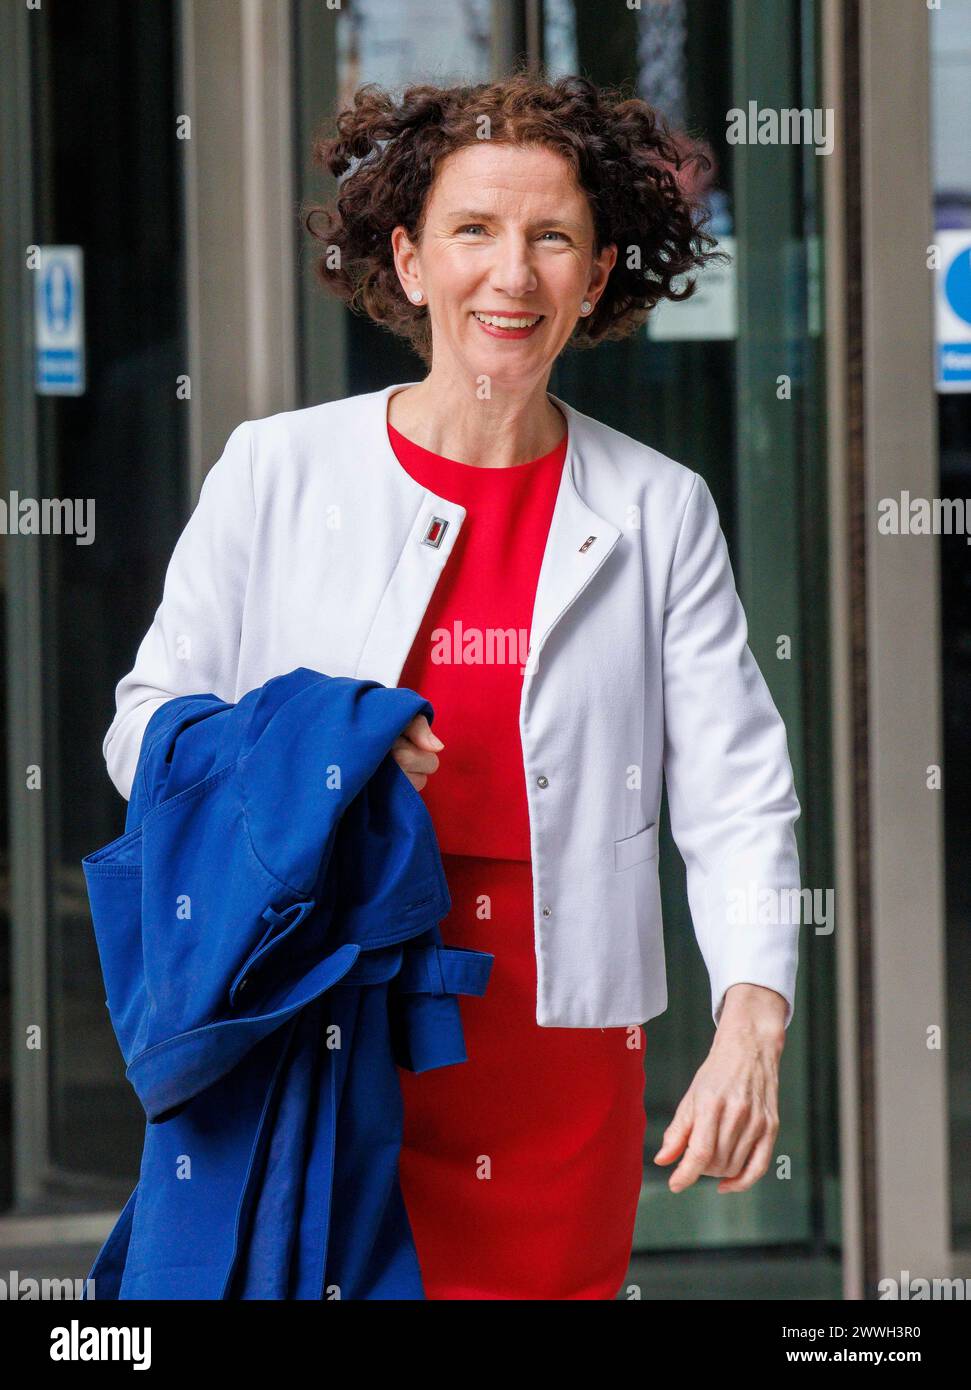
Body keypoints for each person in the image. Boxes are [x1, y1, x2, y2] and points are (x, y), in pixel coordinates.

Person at [103, 73, 801, 1301]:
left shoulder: (657, 508)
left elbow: (736, 794)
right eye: (473, 230)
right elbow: (140, 728)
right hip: (319, 1042)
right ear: (408, 261)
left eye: (552, 238)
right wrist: (322, 740)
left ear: (595, 277)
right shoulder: (275, 470)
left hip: (558, 1071)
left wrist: (750, 1020)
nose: (511, 275)